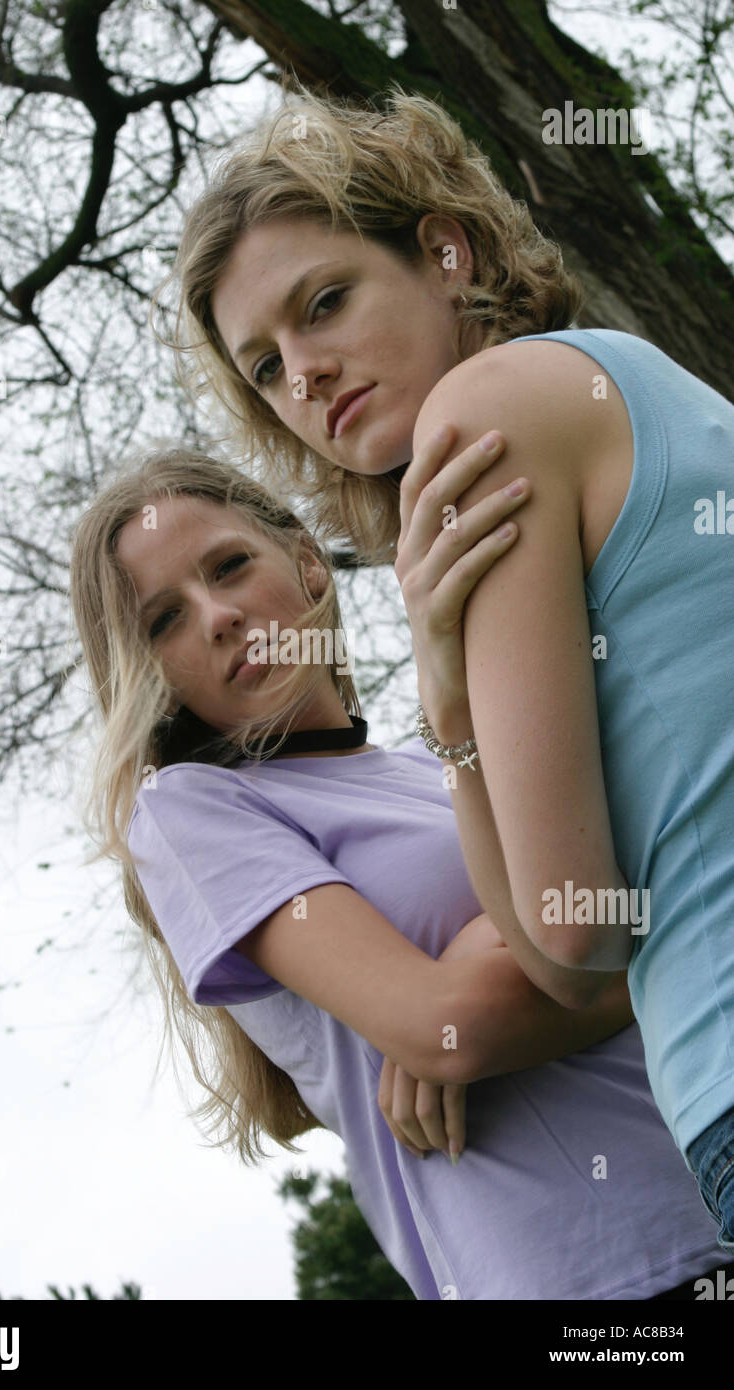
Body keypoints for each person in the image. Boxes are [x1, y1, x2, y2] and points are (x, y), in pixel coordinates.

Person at [164, 84, 734, 1259]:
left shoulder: (488, 415)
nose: (305, 375)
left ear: (443, 248)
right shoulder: (626, 381)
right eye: (267, 367)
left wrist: (446, 696)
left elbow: (570, 947)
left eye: (323, 304)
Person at [68, 443, 730, 1300]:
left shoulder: (444, 768)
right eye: (163, 619)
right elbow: (458, 1020)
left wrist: (481, 970)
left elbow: (679, 898)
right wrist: (481, 990)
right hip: (597, 1284)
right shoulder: (190, 810)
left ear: (308, 564)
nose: (218, 615)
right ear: (151, 675)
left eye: (229, 566)